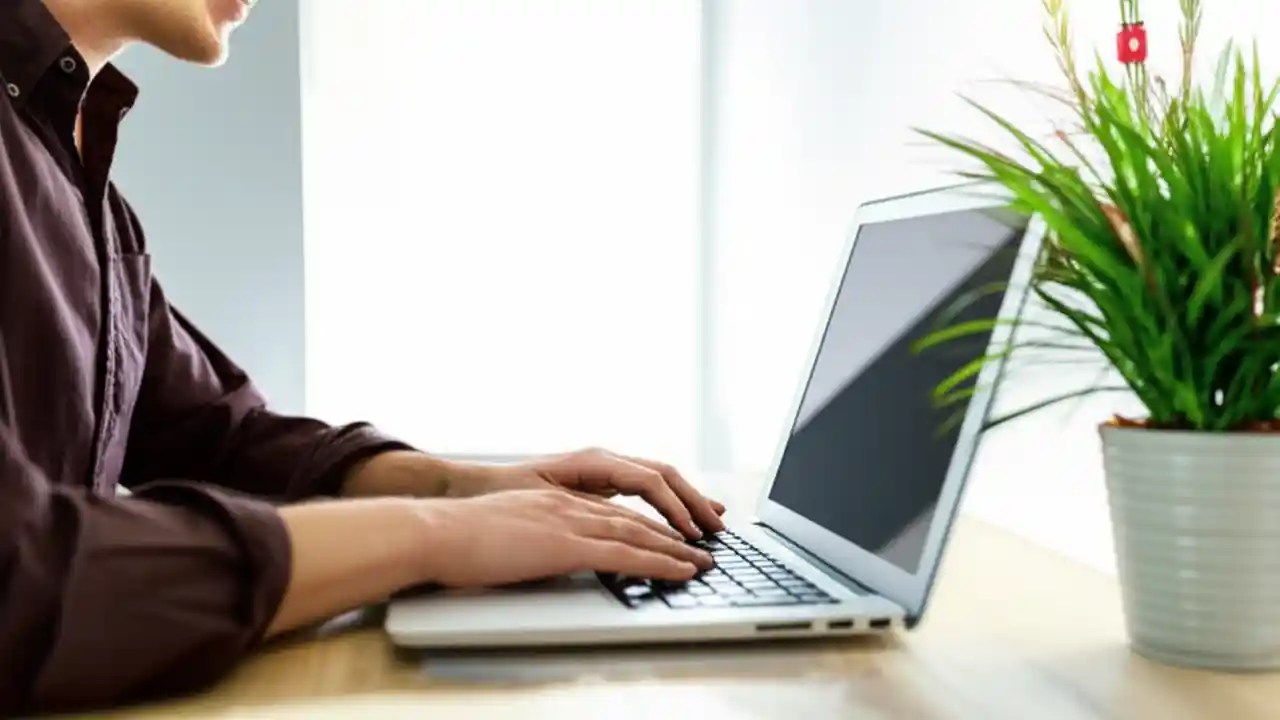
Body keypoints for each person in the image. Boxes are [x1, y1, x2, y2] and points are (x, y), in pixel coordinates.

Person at [0, 0, 724, 713]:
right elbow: (19, 574)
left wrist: (458, 489)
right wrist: (431, 538)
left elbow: (217, 432)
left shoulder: (71, 169)